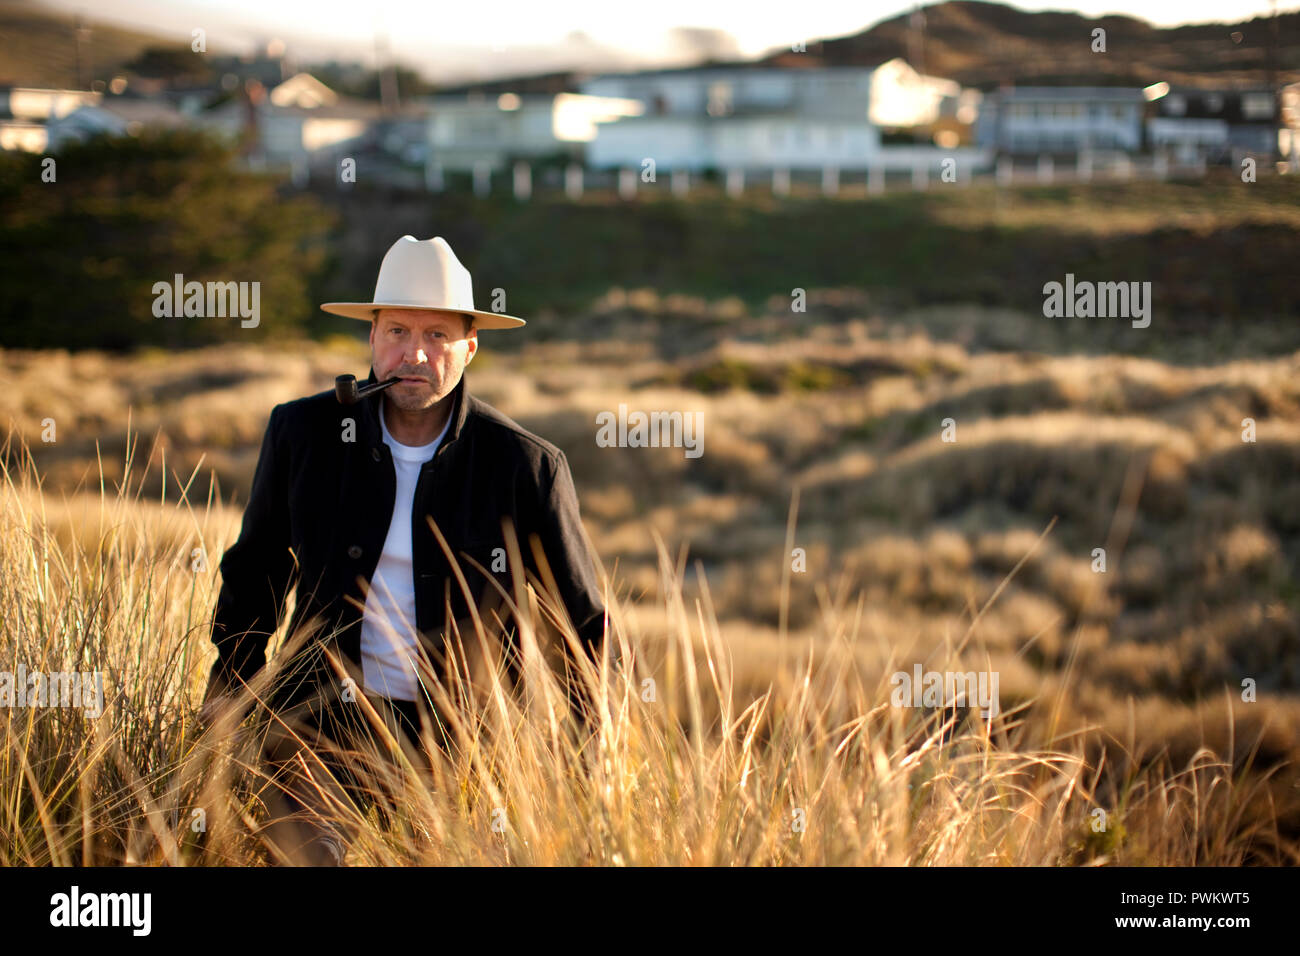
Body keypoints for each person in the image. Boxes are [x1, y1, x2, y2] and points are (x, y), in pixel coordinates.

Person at [198, 235, 611, 865]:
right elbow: (256, 568)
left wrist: (587, 763)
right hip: (314, 720)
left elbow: (584, 627)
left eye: (438, 336)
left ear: (470, 348)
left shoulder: (524, 467)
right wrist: (232, 681)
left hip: (458, 743)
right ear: (371, 337)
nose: (413, 353)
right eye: (396, 331)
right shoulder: (302, 433)